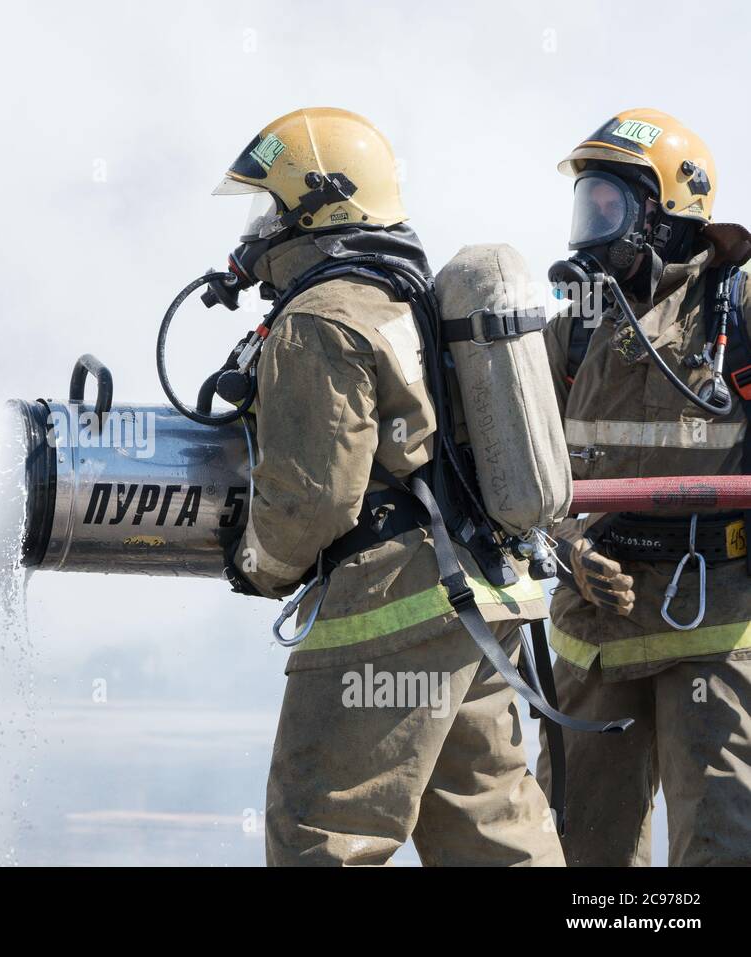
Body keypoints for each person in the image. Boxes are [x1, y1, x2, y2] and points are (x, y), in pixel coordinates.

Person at [219, 108, 562, 866]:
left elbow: (317, 498)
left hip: (391, 607)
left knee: (324, 830)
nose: (258, 229)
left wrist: (259, 565)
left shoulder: (319, 317)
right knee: (489, 829)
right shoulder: (408, 298)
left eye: (270, 206)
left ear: (318, 205)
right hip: (477, 598)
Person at [537, 108, 751, 866]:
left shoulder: (737, 312)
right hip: (595, 628)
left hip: (715, 622)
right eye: (585, 204)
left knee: (722, 844)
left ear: (666, 217)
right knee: (577, 850)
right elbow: (526, 478)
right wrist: (568, 552)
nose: (587, 230)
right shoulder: (574, 330)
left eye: (607, 206)